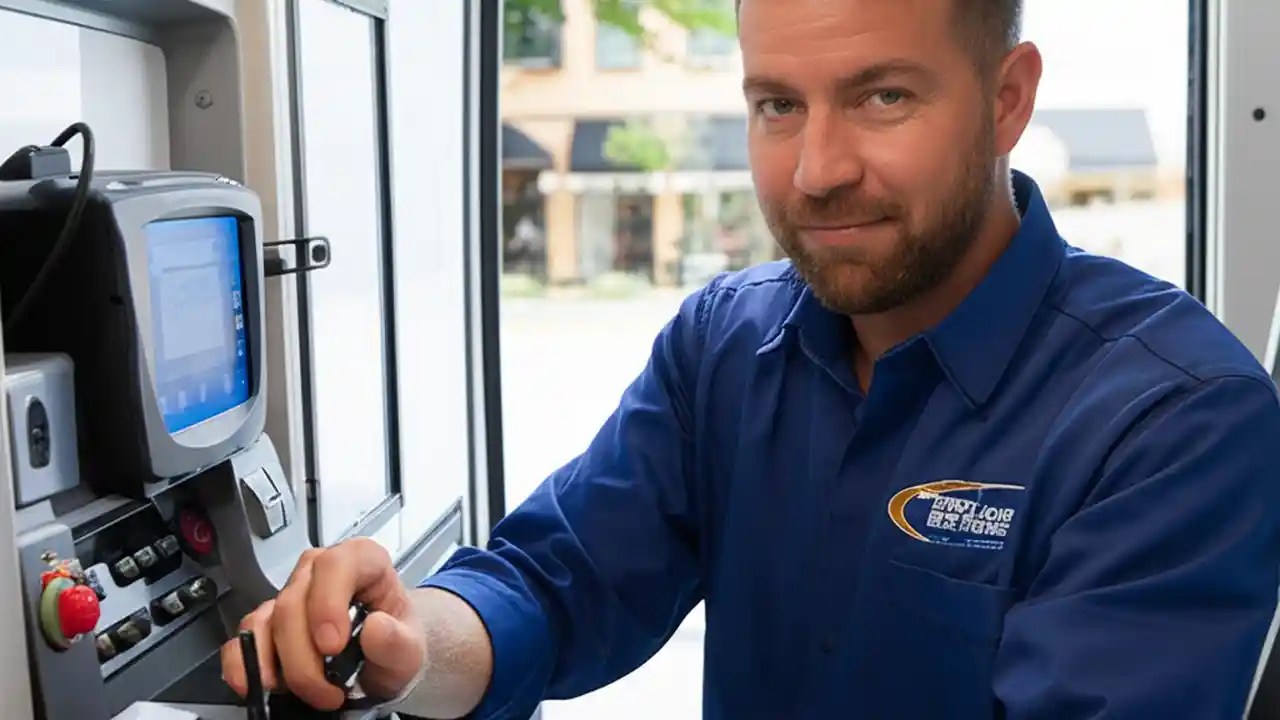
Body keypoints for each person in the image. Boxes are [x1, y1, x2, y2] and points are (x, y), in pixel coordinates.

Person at [222, 0, 1280, 717]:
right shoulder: (723, 346)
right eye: (777, 104)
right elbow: (552, 585)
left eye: (881, 97)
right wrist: (406, 646)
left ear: (1006, 98)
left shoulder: (1176, 420)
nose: (814, 170)